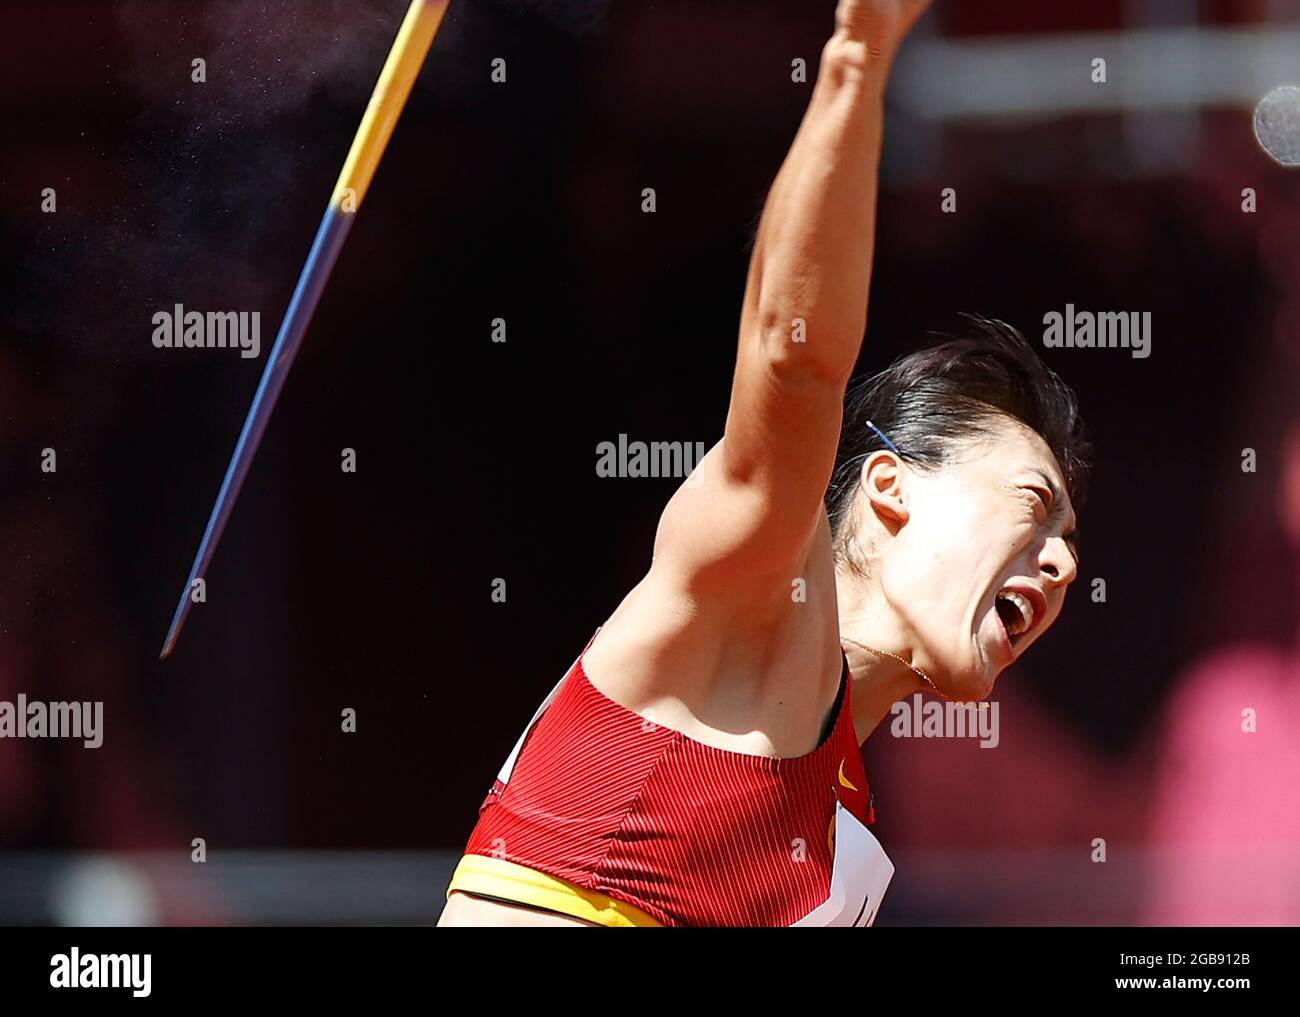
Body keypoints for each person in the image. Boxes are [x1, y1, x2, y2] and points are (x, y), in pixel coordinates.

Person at [439, 0, 1090, 927]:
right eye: (1035, 504)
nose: (1066, 565)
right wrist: (858, 60)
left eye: (1068, 540)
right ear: (890, 487)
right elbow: (793, 357)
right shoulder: (752, 590)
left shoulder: (846, 826)